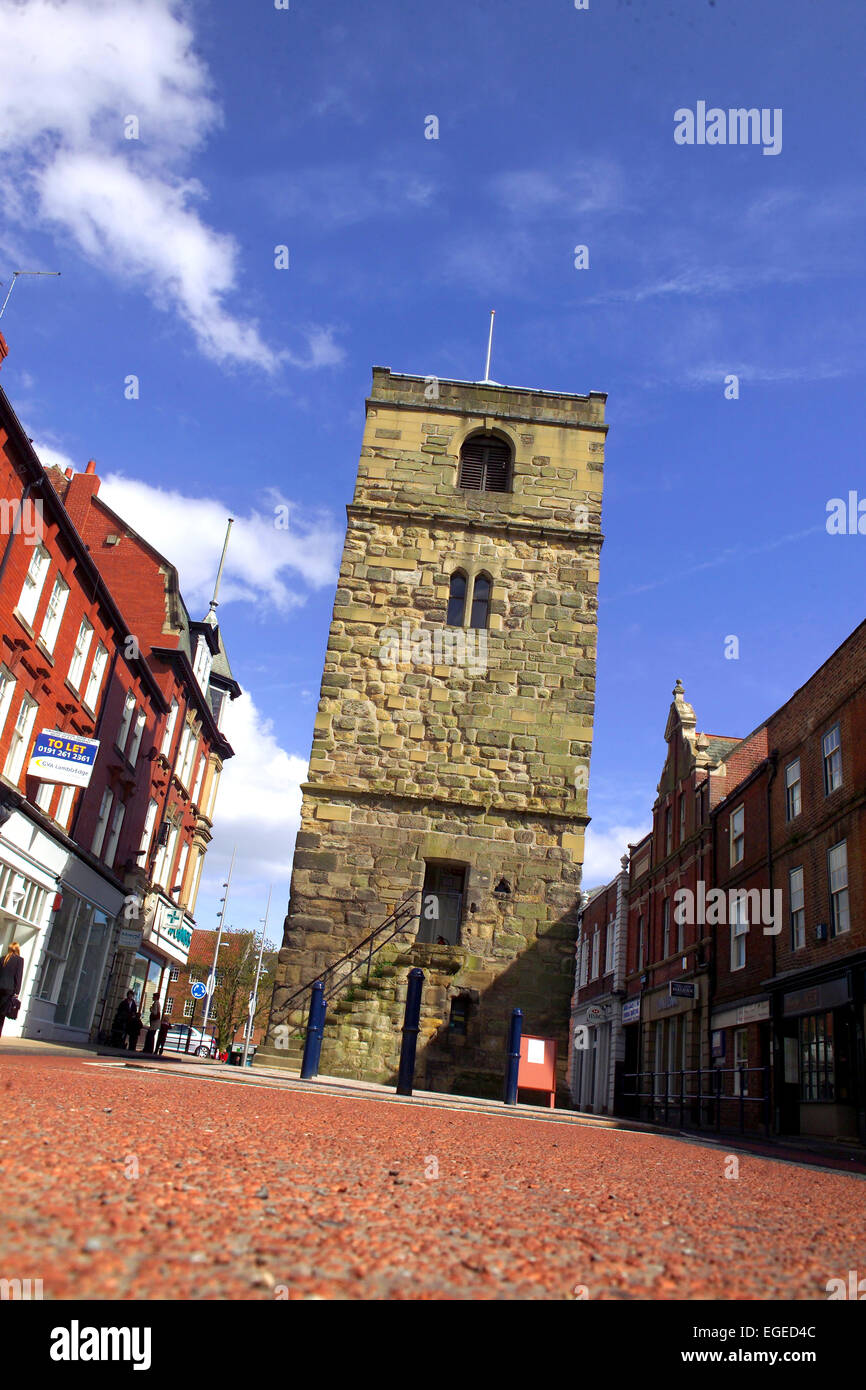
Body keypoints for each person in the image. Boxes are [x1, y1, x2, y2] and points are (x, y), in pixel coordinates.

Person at [0, 943, 24, 1037]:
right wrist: (17, 991)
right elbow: (18, 976)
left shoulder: (3, 958)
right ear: (17, 949)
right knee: (2, 1014)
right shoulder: (19, 960)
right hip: (9, 990)